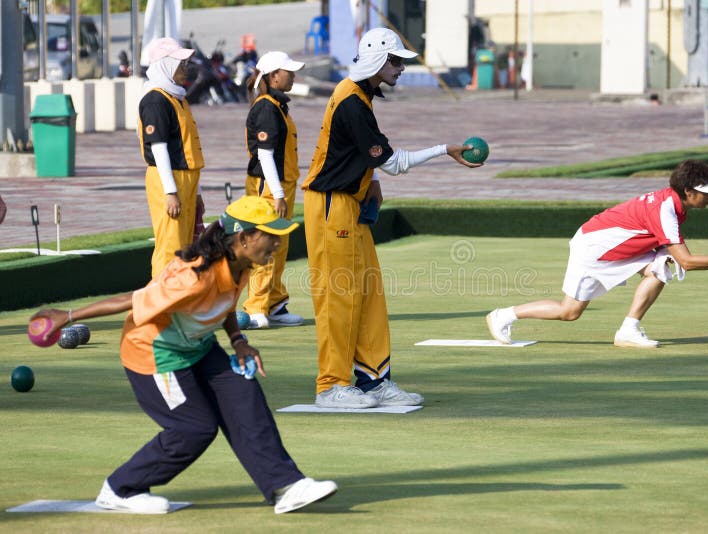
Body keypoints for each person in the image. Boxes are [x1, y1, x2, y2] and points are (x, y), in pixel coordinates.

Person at [31, 196, 337, 515]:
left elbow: (224, 305)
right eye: (270, 235)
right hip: (155, 354)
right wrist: (67, 316)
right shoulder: (191, 277)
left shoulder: (242, 265)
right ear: (244, 238)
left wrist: (238, 341)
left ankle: (285, 485)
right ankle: (121, 489)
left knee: (244, 393)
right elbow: (131, 300)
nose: (277, 242)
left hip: (199, 347)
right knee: (193, 429)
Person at [301, 27, 482, 409]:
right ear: (378, 61)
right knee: (340, 297)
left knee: (368, 292)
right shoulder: (351, 101)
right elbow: (394, 161)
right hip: (331, 204)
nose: (401, 68)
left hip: (348, 203)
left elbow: (365, 155)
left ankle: (373, 379)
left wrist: (373, 179)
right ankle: (331, 386)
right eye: (396, 61)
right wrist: (444, 149)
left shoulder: (359, 96)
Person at [486, 160, 708, 348]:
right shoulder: (665, 209)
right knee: (569, 312)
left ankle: (628, 330)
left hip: (604, 243)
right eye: (707, 192)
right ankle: (503, 315)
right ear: (688, 191)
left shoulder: (672, 203)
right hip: (594, 249)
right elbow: (687, 262)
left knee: (660, 266)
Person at [241, 51, 306, 329]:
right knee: (263, 246)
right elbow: (265, 155)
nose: (293, 75)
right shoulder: (266, 107)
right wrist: (277, 193)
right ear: (272, 76)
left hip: (282, 186)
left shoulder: (278, 106)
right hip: (268, 188)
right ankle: (256, 307)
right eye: (288, 71)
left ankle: (275, 304)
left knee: (278, 246)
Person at [139, 37, 206, 278]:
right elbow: (159, 148)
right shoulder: (155, 100)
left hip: (184, 180)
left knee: (186, 245)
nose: (185, 68)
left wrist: (196, 192)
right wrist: (170, 192)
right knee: (170, 245)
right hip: (169, 180)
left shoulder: (177, 97)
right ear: (165, 64)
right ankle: (161, 307)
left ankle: (179, 302)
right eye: (180, 63)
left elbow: (187, 148)